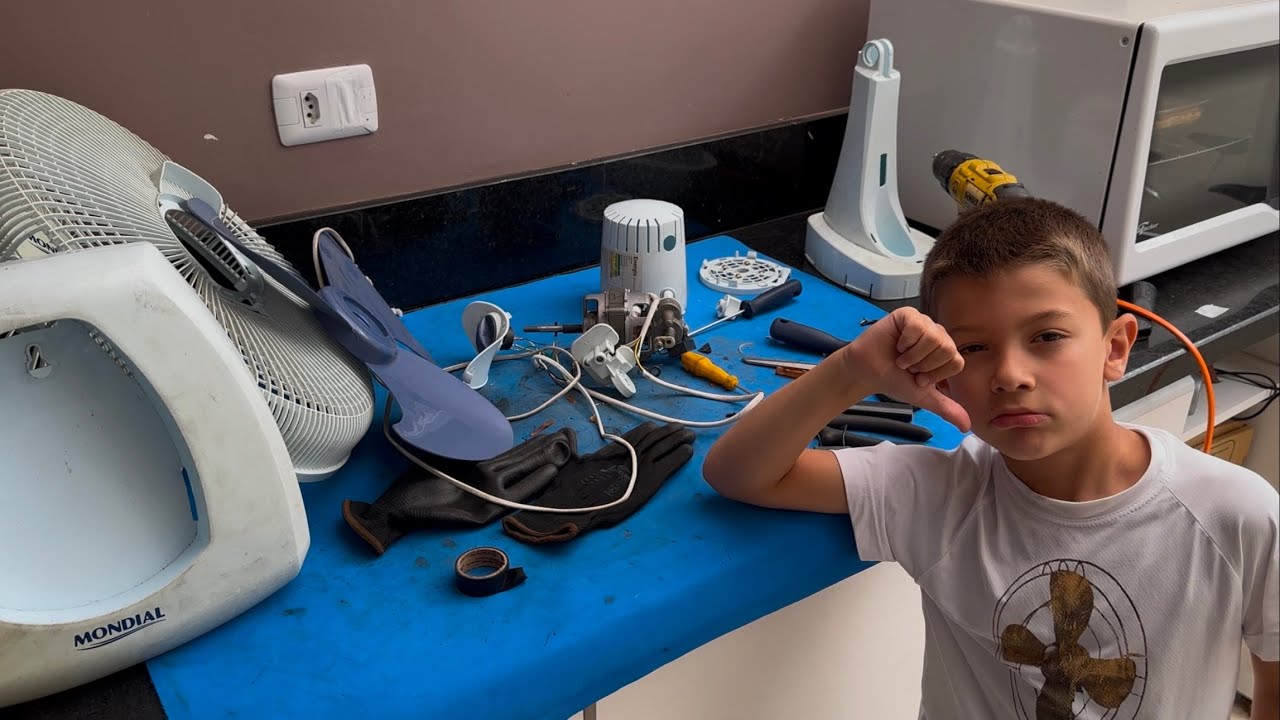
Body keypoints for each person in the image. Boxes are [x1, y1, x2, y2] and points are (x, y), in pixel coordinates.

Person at [703, 197, 1279, 719]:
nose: (1009, 375)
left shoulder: (1235, 515)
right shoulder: (938, 495)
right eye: (974, 348)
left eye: (1047, 337)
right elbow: (737, 472)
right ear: (943, 371)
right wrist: (854, 368)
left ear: (1116, 348)